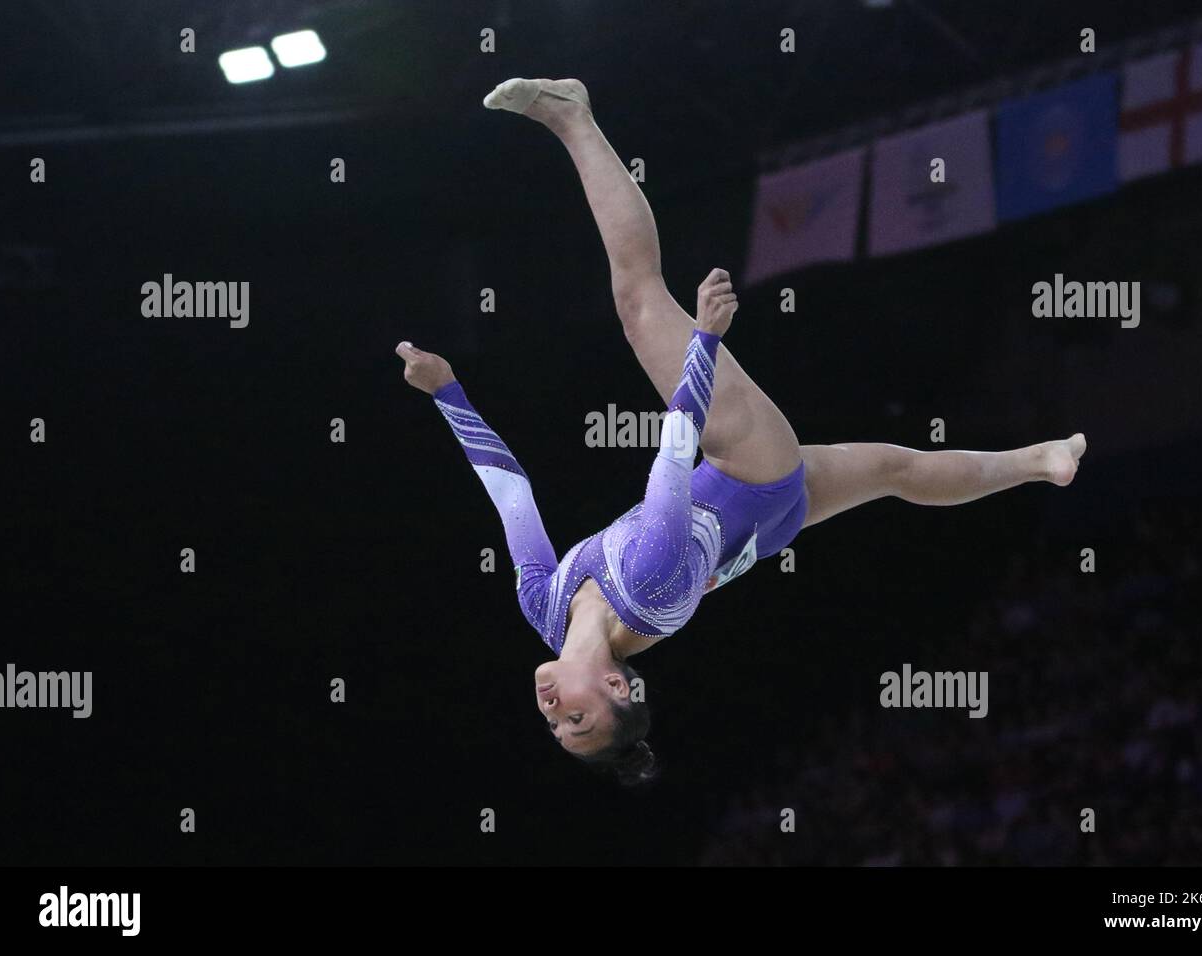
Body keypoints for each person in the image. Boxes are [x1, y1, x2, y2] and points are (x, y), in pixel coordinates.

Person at [395, 78, 1087, 784]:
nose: (552, 710)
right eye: (578, 718)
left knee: (895, 474)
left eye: (554, 726)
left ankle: (1041, 461)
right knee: (639, 301)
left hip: (764, 522)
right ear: (619, 688)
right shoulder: (650, 586)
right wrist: (705, 341)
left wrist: (447, 390)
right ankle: (573, 118)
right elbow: (671, 455)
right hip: (750, 469)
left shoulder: (543, 608)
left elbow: (511, 495)